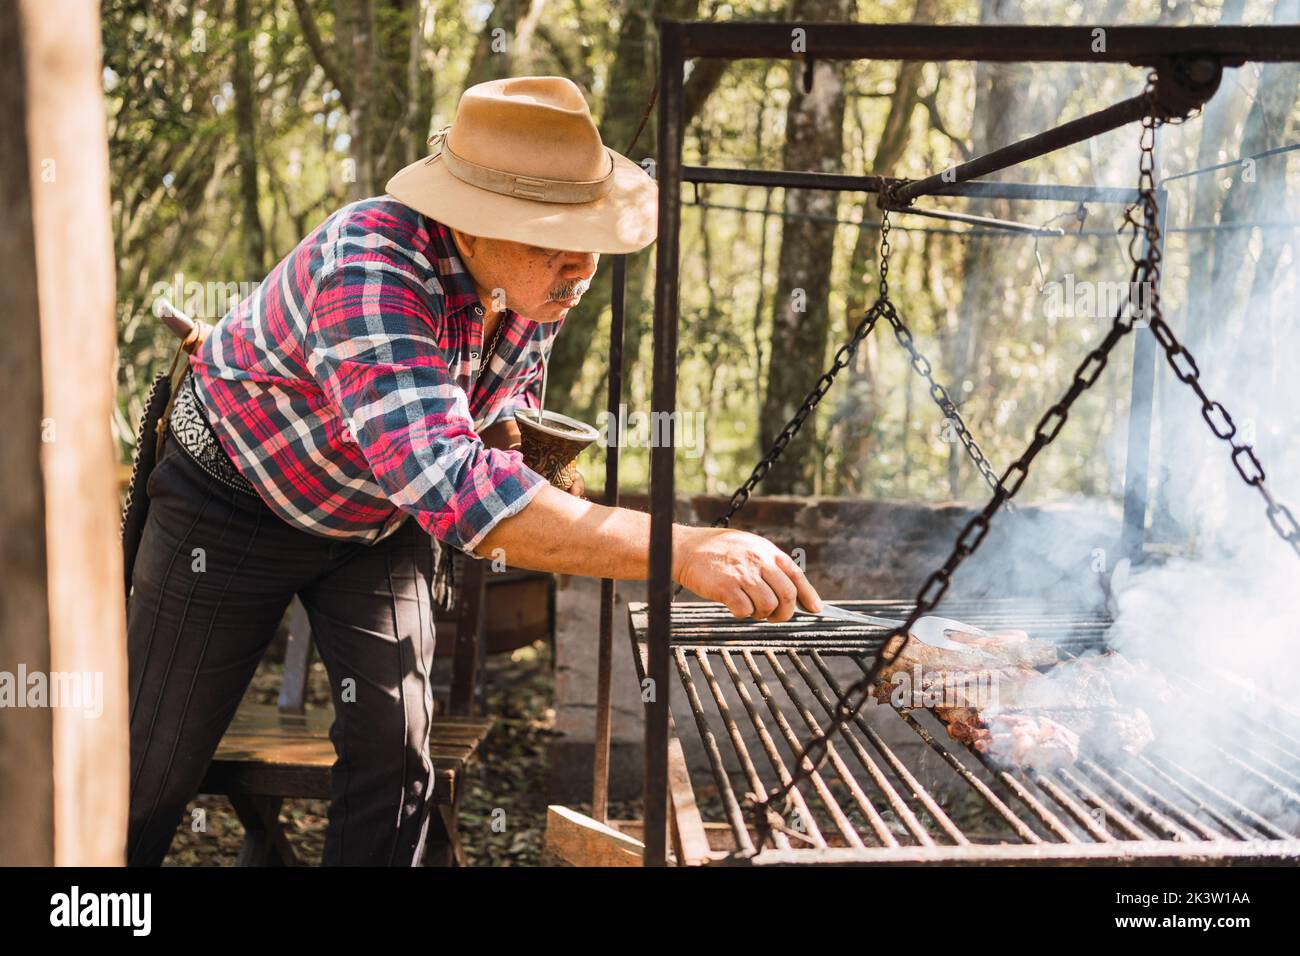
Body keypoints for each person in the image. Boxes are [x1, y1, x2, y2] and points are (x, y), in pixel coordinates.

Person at [125, 75, 822, 867]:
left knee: (397, 750)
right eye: (547, 238)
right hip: (232, 499)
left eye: (586, 235)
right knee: (150, 762)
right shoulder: (370, 266)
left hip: (378, 523)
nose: (579, 266)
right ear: (470, 222)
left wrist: (528, 456)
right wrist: (681, 549)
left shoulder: (533, 286)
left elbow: (493, 410)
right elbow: (450, 483)